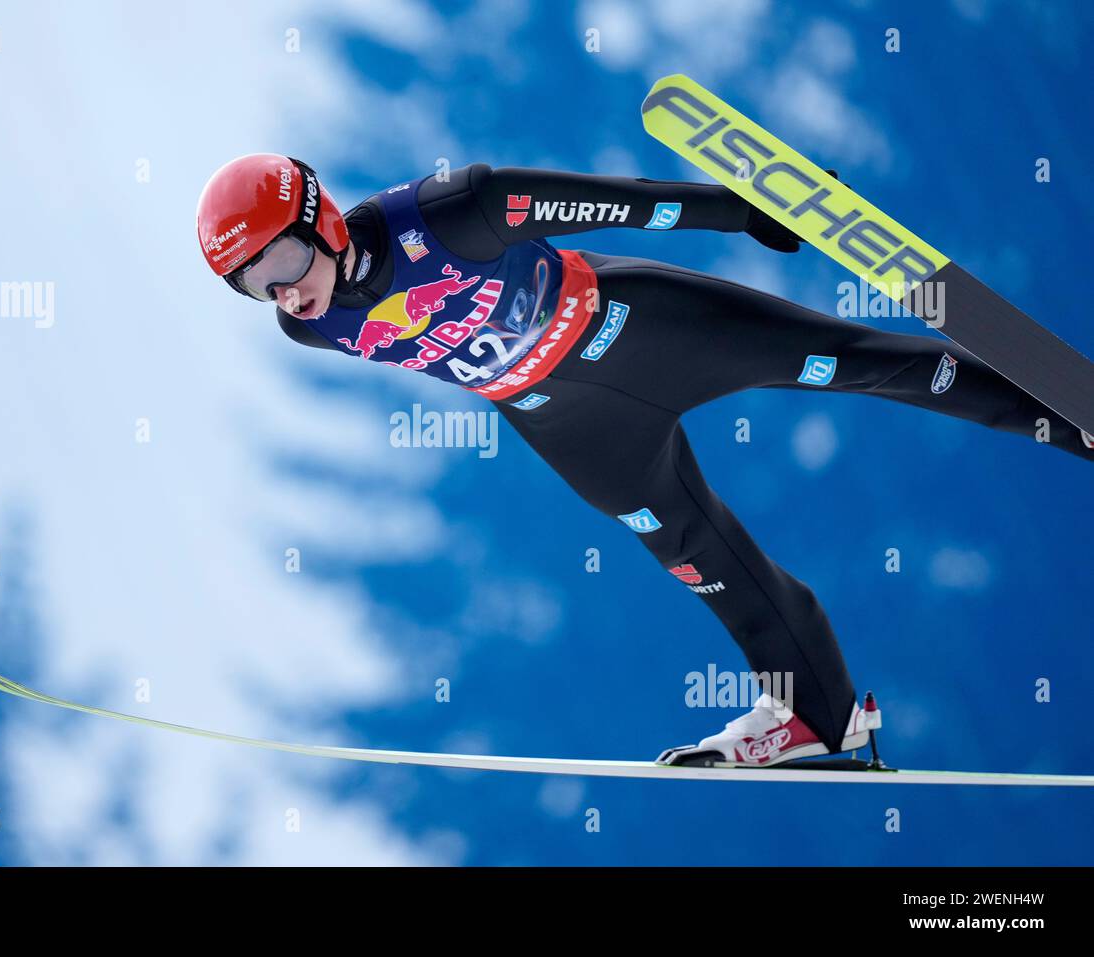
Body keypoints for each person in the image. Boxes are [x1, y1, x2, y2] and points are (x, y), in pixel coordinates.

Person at [196, 153, 1093, 768]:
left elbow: (620, 201)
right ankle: (820, 721)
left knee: (863, 364)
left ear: (314, 215)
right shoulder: (308, 326)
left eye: (276, 257)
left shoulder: (449, 211)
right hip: (571, 427)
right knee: (709, 566)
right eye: (250, 284)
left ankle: (1075, 419)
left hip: (641, 329)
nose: (278, 289)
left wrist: (746, 209)